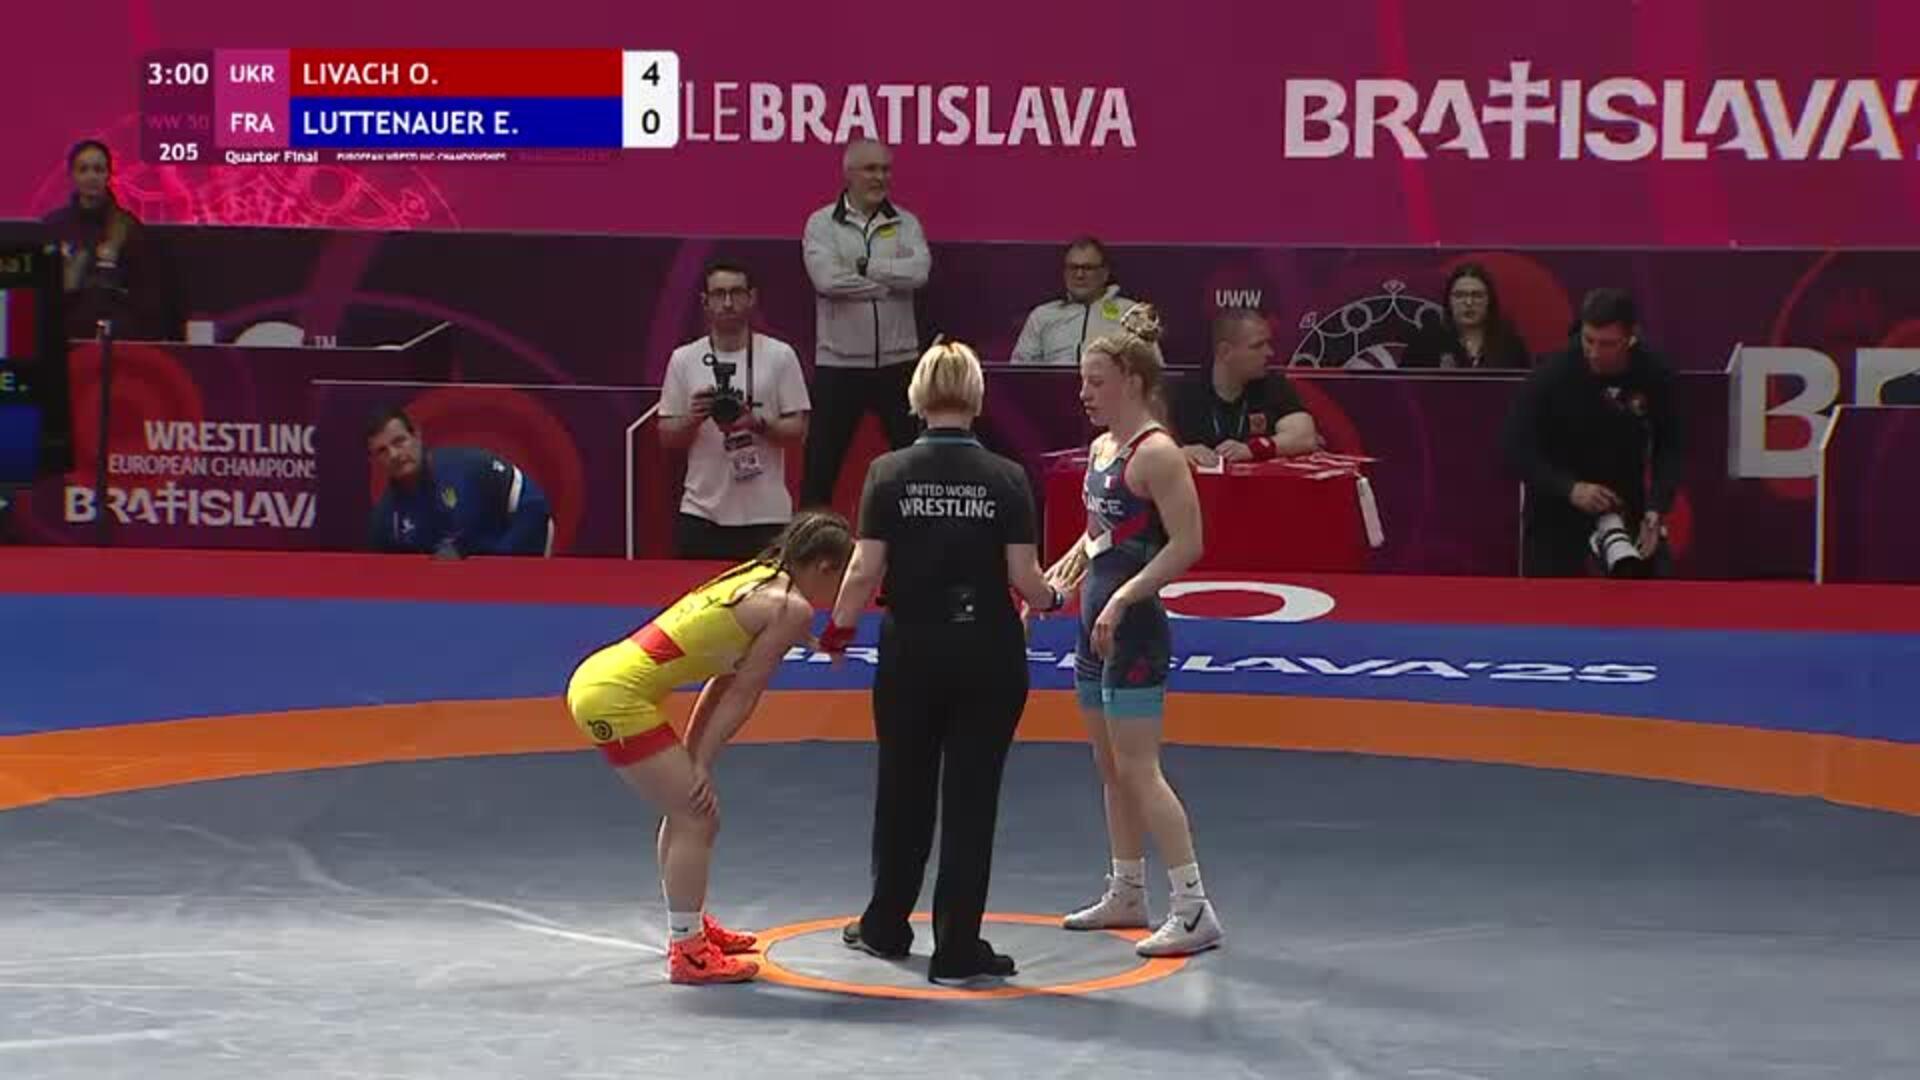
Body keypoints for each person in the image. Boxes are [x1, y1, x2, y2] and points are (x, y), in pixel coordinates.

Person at [819, 340, 1065, 986]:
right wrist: (1056, 597)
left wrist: (839, 630)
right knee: (970, 797)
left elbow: (863, 569)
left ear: (918, 396)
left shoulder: (887, 473)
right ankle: (957, 948)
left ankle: (885, 925)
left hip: (912, 652)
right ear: (977, 397)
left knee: (902, 788)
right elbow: (1026, 579)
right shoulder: (1008, 478)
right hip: (988, 651)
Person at [564, 510, 855, 985]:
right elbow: (743, 693)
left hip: (605, 681)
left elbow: (723, 680)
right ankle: (688, 951)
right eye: (842, 579)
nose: (840, 595)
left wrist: (698, 758)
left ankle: (690, 925)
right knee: (696, 815)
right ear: (824, 567)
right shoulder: (789, 607)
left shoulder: (759, 578)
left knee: (685, 810)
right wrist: (699, 763)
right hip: (616, 698)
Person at [1046, 304, 1224, 957]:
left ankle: (1194, 906)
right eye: (1083, 382)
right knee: (1110, 767)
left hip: (1135, 627)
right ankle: (1127, 889)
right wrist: (1061, 572)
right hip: (1094, 623)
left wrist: (1122, 598)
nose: (1084, 394)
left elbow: (1188, 544)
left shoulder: (1158, 455)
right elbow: (1102, 533)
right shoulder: (1101, 450)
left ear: (1132, 381)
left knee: (1140, 768)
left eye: (1095, 381)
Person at [1502, 288, 1683, 578]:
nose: (1594, 353)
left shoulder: (1654, 373)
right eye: (1588, 340)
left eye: (1608, 344)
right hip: (1556, 508)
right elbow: (1514, 445)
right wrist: (1570, 488)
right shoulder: (1552, 374)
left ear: (1631, 337)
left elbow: (1671, 444)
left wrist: (1657, 506)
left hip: (1625, 506)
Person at [799, 138, 931, 509]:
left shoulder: (906, 222)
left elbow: (919, 273)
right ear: (849, 174)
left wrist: (865, 267)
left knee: (917, 466)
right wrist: (887, 284)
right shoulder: (822, 223)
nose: (880, 177)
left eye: (886, 169)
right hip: (838, 365)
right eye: (870, 169)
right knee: (819, 470)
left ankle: (920, 544)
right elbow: (826, 280)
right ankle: (808, 548)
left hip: (900, 364)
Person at [658, 261, 812, 560]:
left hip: (766, 515)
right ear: (705, 301)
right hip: (701, 512)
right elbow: (666, 437)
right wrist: (694, 419)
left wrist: (757, 423)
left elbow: (799, 432)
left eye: (736, 293)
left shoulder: (780, 355)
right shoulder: (684, 359)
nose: (728, 303)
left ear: (752, 298)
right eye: (719, 294)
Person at [364, 406, 554, 557]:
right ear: (374, 460)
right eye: (382, 451)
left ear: (417, 436)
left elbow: (534, 506)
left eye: (399, 442)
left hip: (512, 547)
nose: (394, 455)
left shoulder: (468, 468)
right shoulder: (385, 520)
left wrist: (500, 562)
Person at [41, 139, 180, 341]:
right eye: (84, 169)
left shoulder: (128, 227)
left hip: (118, 341)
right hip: (63, 341)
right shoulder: (53, 227)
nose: (92, 177)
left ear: (108, 174)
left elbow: (147, 296)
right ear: (72, 175)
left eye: (99, 170)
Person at [1169, 307, 1318, 467]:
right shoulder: (1184, 392)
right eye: (1258, 346)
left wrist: (1253, 449)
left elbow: (1304, 437)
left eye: (1268, 343)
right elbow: (1148, 443)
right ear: (1225, 351)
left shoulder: (1274, 386)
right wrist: (1180, 452)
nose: (1270, 352)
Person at [1009, 237, 1139, 365]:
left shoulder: (1131, 313)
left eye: (1088, 268)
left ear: (1104, 273)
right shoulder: (1042, 316)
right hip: (1053, 385)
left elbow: (1152, 372)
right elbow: (1018, 371)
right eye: (1073, 267)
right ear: (1065, 273)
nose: (1079, 275)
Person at [1401, 263, 1532, 370]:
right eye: (1460, 295)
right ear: (1449, 301)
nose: (1469, 303)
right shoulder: (1425, 342)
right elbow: (1405, 391)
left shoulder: (1510, 345)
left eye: (1477, 295)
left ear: (1489, 301)